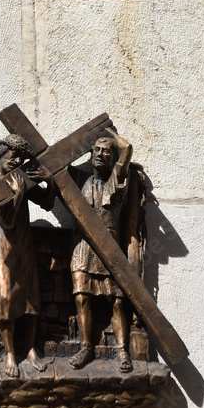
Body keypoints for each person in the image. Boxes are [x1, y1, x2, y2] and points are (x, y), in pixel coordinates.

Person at [0, 133, 56, 377]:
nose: (15, 159)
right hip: (2, 246)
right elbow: (5, 222)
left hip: (23, 243)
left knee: (30, 295)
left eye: (20, 156)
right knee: (6, 296)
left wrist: (50, 182)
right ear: (1, 153)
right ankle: (9, 353)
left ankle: (29, 349)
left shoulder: (21, 178)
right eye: (11, 153)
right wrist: (17, 197)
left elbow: (47, 204)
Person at [68, 127, 134, 372]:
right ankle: (86, 347)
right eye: (96, 149)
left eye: (107, 151)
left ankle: (122, 351)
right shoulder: (77, 179)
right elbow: (56, 167)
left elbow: (127, 149)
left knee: (116, 302)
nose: (101, 154)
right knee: (82, 298)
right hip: (82, 247)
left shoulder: (116, 179)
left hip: (109, 247)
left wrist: (108, 131)